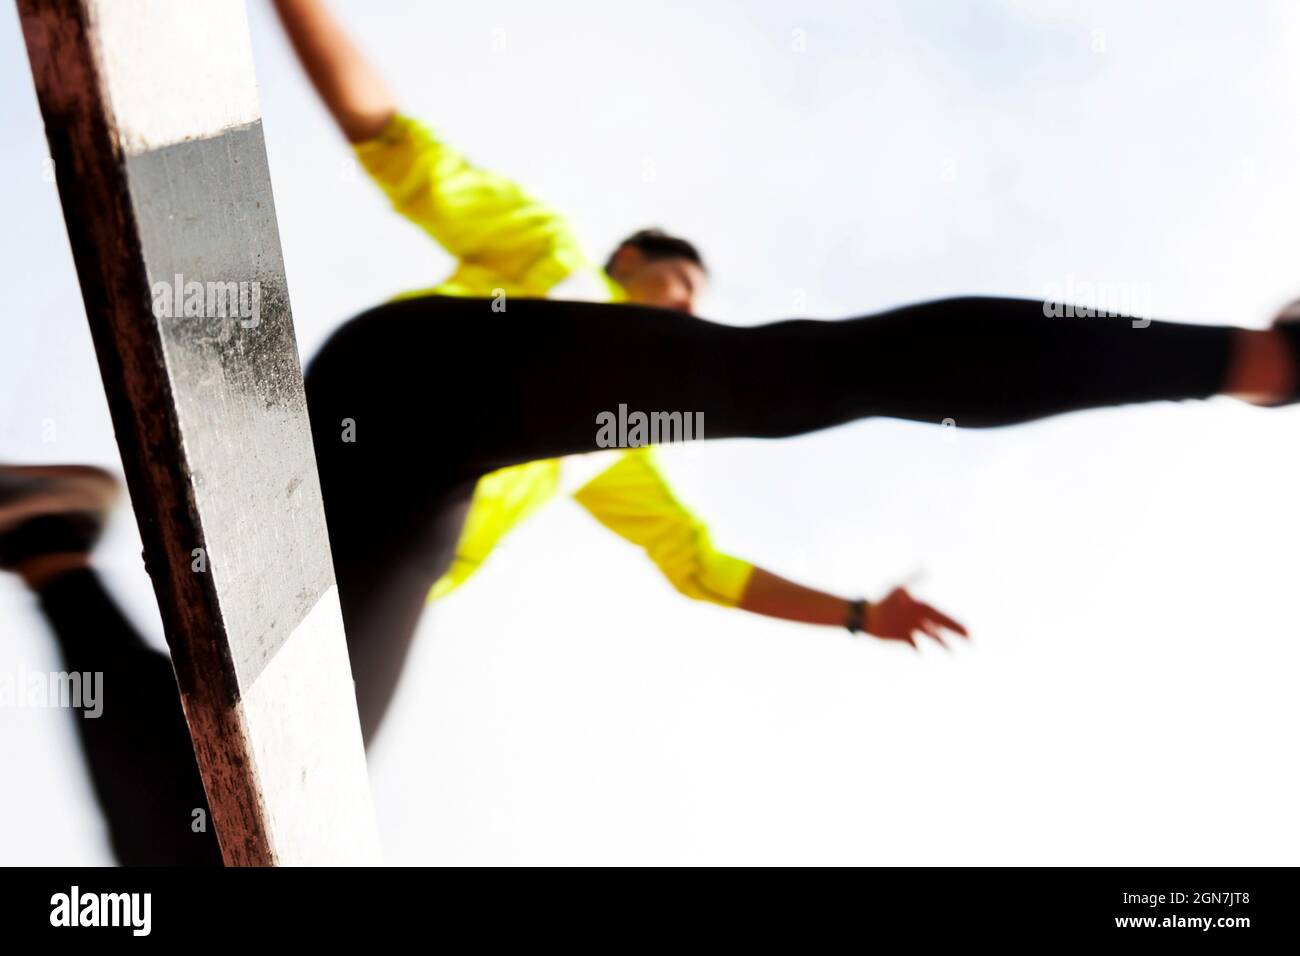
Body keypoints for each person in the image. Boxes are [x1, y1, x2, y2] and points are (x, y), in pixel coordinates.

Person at [4, 0, 1299, 865]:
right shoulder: (546, 250)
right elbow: (380, 131)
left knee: (229, 831)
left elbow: (702, 573)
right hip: (389, 393)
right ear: (632, 260)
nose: (681, 307)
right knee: (796, 381)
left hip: (367, 539)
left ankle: (55, 547)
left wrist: (855, 616)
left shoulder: (615, 457)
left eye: (689, 302)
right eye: (673, 286)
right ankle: (1243, 362)